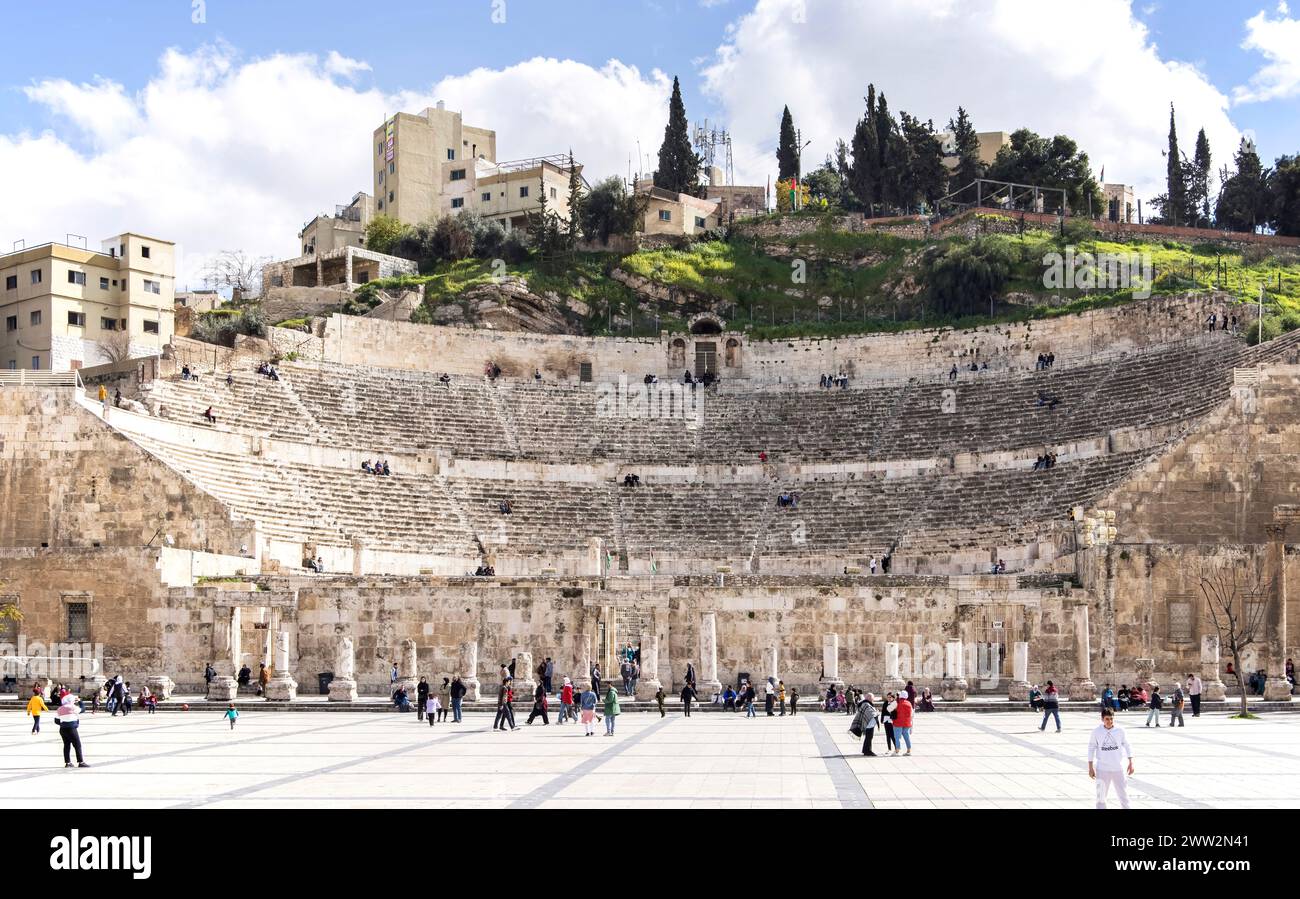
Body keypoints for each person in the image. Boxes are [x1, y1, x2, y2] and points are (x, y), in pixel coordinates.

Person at [1088, 707, 1134, 809]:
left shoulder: (1120, 730)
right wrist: (1090, 767)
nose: (1109, 721)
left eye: (1111, 719)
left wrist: (1131, 762)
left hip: (1118, 768)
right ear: (1102, 719)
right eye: (1107, 719)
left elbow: (1127, 745)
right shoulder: (1096, 731)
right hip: (1102, 769)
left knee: (1124, 796)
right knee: (1101, 797)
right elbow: (1091, 748)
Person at [56, 694, 89, 767]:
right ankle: (80, 762)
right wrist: (80, 701)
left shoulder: (60, 708)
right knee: (77, 745)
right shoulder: (73, 707)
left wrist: (63, 722)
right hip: (71, 729)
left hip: (62, 729)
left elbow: (56, 720)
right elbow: (83, 709)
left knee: (66, 745)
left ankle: (67, 763)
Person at [854, 691, 880, 756]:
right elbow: (871, 713)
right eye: (872, 698)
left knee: (868, 737)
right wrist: (877, 713)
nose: (873, 700)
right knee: (869, 738)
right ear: (870, 698)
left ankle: (865, 750)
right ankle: (868, 751)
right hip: (868, 724)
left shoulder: (865, 703)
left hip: (868, 724)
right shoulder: (866, 704)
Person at [891, 690, 914, 755]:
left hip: (898, 722)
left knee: (897, 737)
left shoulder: (896, 702)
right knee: (907, 737)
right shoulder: (909, 703)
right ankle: (909, 750)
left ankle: (897, 750)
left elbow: (888, 709)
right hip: (907, 723)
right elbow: (912, 713)